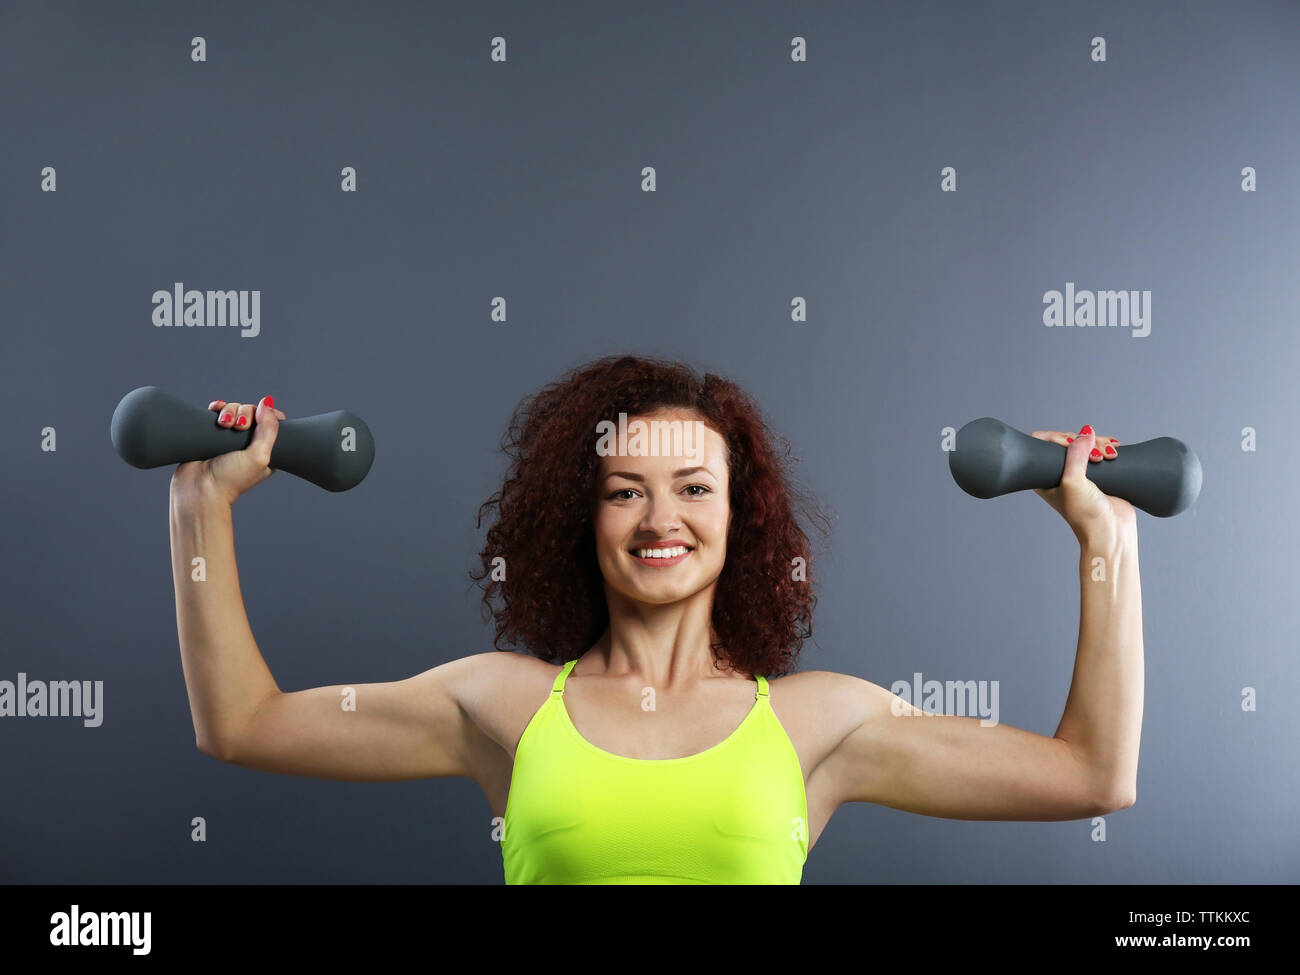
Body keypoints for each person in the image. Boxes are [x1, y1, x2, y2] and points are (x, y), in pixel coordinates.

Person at [168, 354, 1141, 884]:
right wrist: (200, 506)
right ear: (578, 517)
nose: (660, 518)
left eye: (691, 487)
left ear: (738, 513)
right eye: (624, 490)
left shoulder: (820, 725)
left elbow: (1091, 776)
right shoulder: (500, 708)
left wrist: (1106, 540)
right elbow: (242, 722)